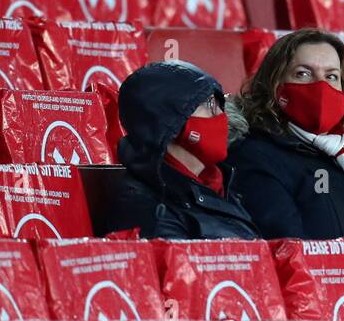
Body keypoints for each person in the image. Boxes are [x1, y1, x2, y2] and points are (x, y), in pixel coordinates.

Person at [226, 28, 344, 241]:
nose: (321, 86)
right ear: (274, 86)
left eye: (331, 76)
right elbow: (287, 248)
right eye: (303, 73)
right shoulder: (254, 157)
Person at [102, 60, 260, 240]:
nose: (221, 117)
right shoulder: (146, 208)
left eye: (219, 104)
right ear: (170, 121)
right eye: (208, 105)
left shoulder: (218, 184)